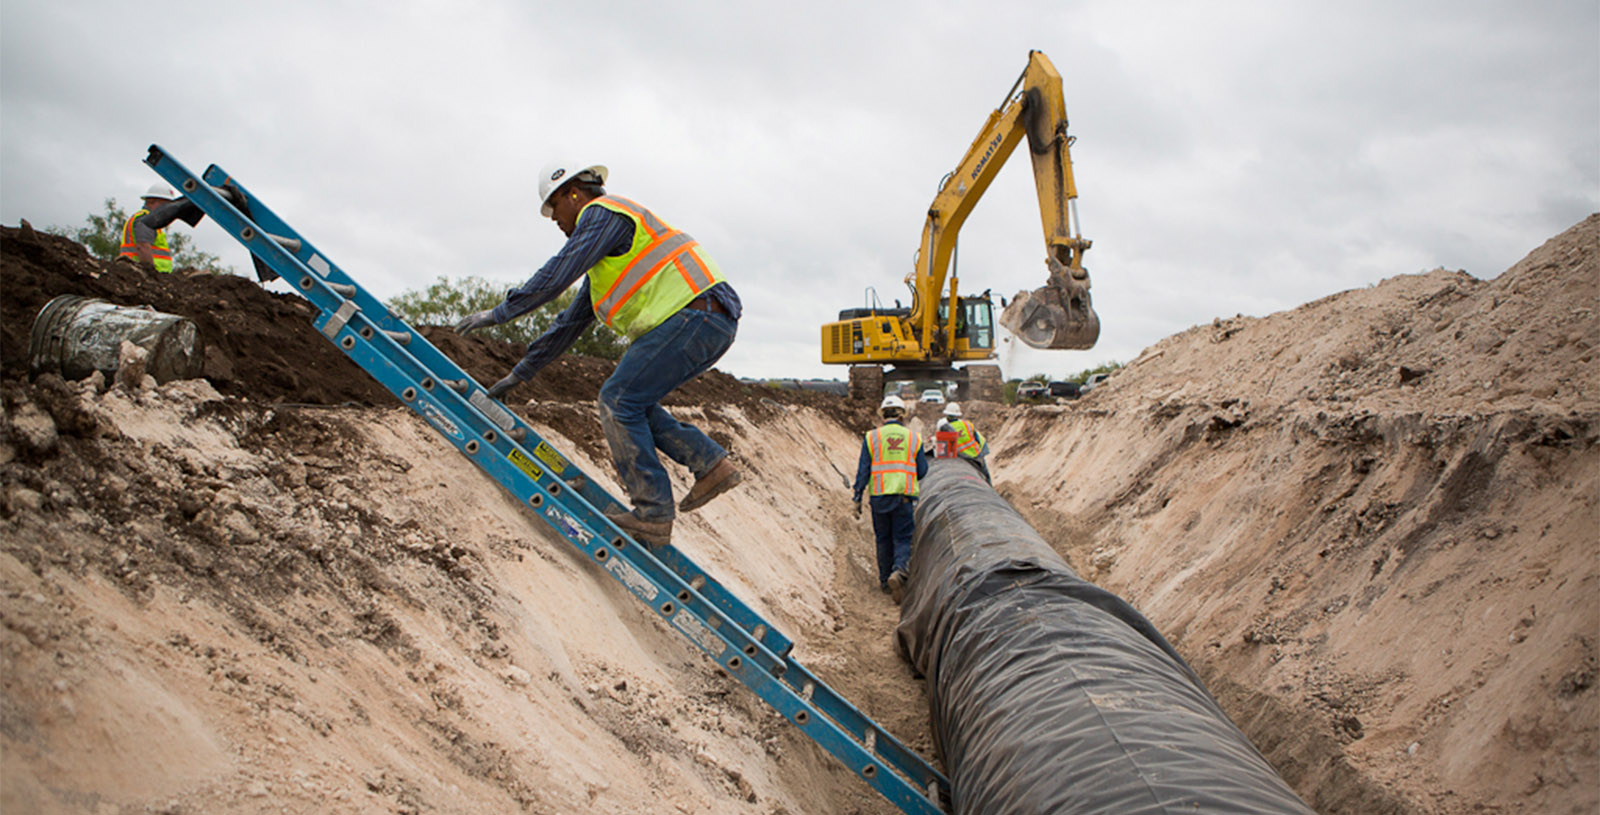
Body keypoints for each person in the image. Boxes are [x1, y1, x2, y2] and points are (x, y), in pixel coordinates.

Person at [453, 160, 742, 548]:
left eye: (554, 208)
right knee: (633, 403)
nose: (555, 221)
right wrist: (519, 374)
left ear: (573, 193)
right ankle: (711, 464)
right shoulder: (606, 262)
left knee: (617, 399)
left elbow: (558, 273)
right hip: (709, 320)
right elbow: (566, 327)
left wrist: (501, 312)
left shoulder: (603, 214)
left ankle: (653, 513)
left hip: (693, 314)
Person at [852, 394, 929, 602]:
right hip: (903, 496)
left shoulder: (871, 437)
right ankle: (900, 571)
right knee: (902, 538)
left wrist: (857, 496)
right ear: (902, 416)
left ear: (883, 416)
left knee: (883, 538)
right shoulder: (913, 438)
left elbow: (863, 470)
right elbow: (922, 470)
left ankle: (886, 582)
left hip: (879, 497)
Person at [118, 182, 205, 273]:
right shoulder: (146, 219)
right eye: (165, 205)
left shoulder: (151, 220)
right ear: (151, 201)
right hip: (141, 274)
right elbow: (143, 246)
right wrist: (151, 273)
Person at [937, 402, 991, 483]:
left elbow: (944, 450)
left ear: (947, 416)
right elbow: (977, 439)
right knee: (985, 475)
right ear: (958, 415)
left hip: (962, 457)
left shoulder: (945, 429)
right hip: (975, 454)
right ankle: (990, 486)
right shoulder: (967, 424)